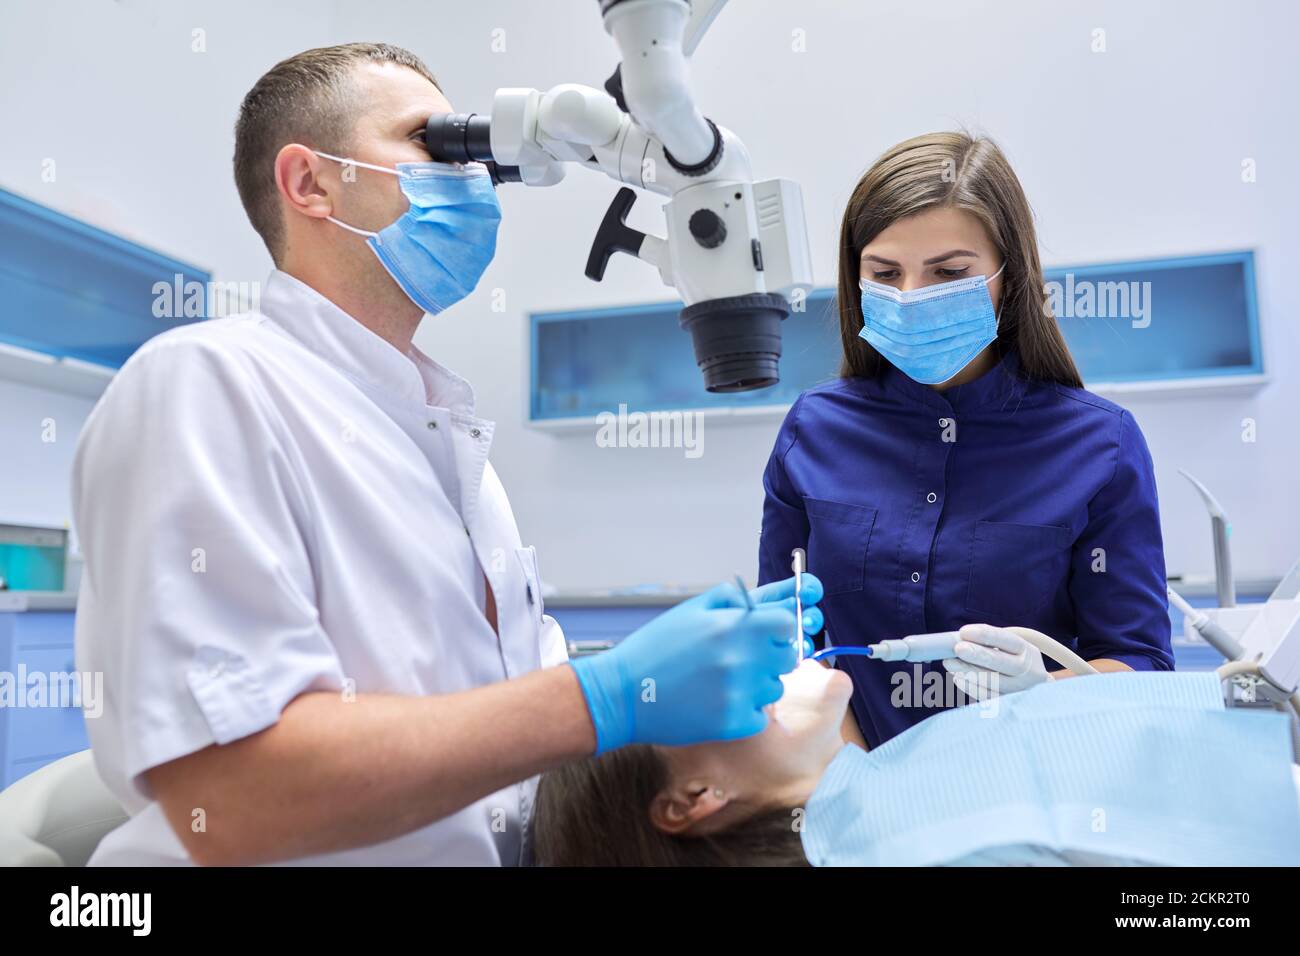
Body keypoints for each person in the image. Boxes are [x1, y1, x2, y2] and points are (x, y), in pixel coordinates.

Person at [71, 42, 818, 866]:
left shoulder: (439, 432)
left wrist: (674, 668)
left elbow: (496, 720)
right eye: (436, 145)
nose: (471, 179)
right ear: (310, 182)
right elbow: (233, 797)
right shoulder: (207, 385)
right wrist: (602, 698)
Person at [758, 132, 1173, 749]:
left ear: (1011, 275)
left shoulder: (1098, 444)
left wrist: (1047, 694)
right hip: (852, 804)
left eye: (949, 272)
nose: (911, 296)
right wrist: (856, 779)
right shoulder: (814, 430)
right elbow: (786, 646)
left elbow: (1140, 665)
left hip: (1032, 806)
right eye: (885, 272)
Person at [532, 662, 1300, 866]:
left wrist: (1066, 698)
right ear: (695, 796)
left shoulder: (878, 789)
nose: (739, 662)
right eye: (697, 681)